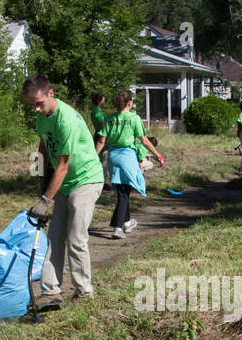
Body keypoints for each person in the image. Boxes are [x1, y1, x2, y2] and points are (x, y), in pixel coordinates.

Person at [24, 75, 104, 305]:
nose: (37, 109)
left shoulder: (65, 119)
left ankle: (84, 292)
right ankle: (50, 292)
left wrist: (45, 200)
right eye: (32, 105)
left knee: (76, 237)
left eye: (39, 103)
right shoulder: (43, 118)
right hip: (64, 182)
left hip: (86, 180)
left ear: (51, 93)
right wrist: (39, 177)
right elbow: (42, 148)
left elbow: (62, 165)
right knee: (54, 236)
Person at [103, 89, 164, 238]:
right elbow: (144, 140)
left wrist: (93, 155)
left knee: (122, 191)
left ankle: (127, 222)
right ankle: (117, 228)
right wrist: (157, 155)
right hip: (126, 157)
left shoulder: (109, 118)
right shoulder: (134, 118)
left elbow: (101, 140)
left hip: (112, 157)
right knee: (124, 193)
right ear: (129, 103)